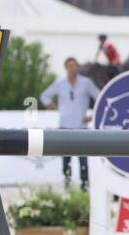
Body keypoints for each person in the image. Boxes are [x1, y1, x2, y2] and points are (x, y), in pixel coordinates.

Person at [40, 57, 100, 190]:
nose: (72, 68)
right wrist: (54, 106)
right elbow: (44, 96)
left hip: (81, 127)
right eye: (70, 66)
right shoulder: (60, 83)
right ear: (66, 67)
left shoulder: (86, 83)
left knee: (83, 159)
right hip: (65, 125)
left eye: (75, 66)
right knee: (66, 159)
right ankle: (67, 184)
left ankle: (84, 186)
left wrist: (92, 115)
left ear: (77, 67)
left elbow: (100, 96)